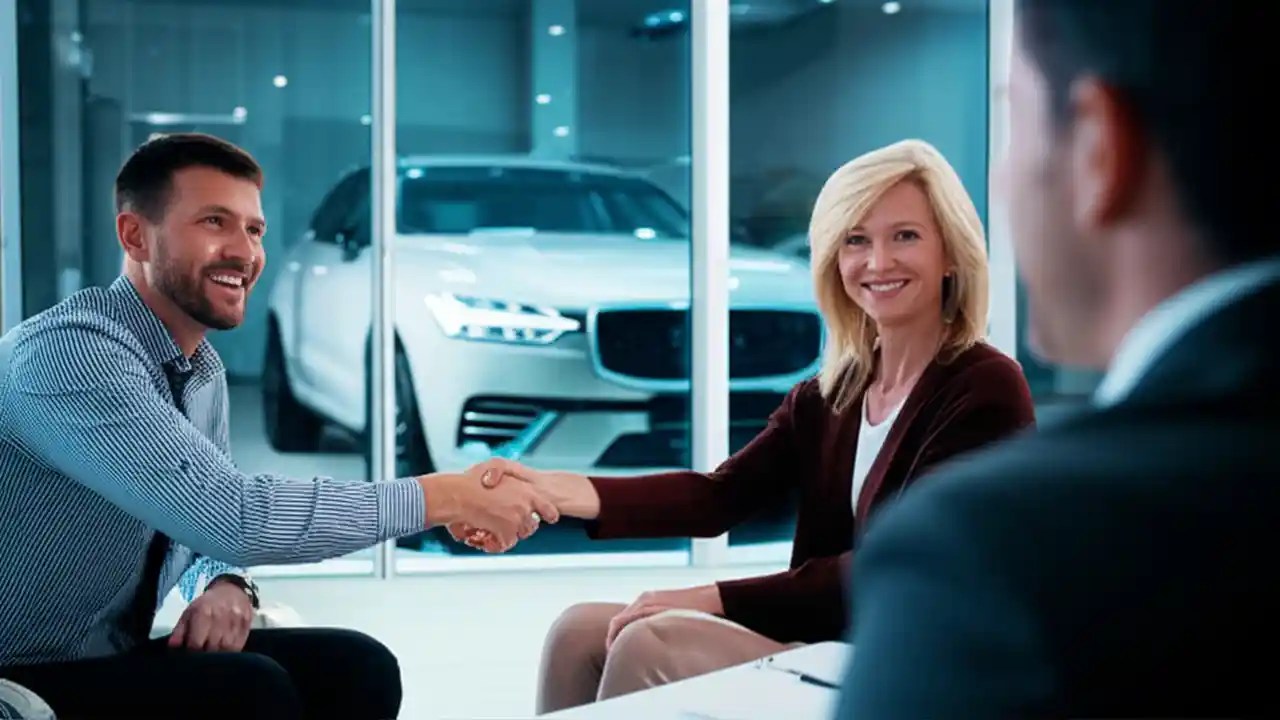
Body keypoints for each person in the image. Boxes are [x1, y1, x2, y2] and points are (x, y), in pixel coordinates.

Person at [463, 139, 1036, 713]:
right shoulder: (832, 393)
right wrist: (548, 489)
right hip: (823, 648)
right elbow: (717, 498)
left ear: (952, 253)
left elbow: (901, 566)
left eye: (904, 236)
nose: (877, 262)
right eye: (856, 240)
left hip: (911, 662)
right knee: (579, 632)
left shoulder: (984, 385)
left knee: (649, 640)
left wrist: (711, 597)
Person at [0, 133, 557, 720]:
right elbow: (230, 515)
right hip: (22, 671)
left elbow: (197, 524)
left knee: (356, 666)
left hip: (106, 656)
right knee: (250, 690)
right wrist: (443, 496)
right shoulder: (69, 354)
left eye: (254, 230)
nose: (244, 252)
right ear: (135, 235)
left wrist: (226, 584)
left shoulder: (199, 370)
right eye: (214, 222)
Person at [835, 1, 1277, 718]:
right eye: (855, 240)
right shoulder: (841, 392)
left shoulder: (987, 559)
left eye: (1015, 125)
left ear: (1101, 148)